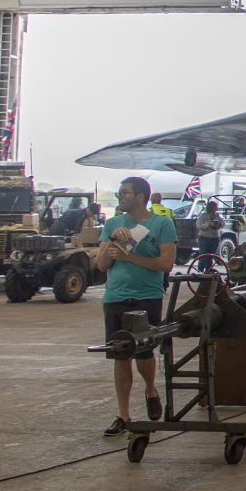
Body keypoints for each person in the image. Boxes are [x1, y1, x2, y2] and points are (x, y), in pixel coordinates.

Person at [94, 176, 177, 436]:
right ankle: (123, 414)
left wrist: (131, 256)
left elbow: (165, 264)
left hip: (146, 296)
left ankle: (150, 389)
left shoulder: (161, 224)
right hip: (115, 296)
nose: (120, 197)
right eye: (119, 193)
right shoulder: (113, 223)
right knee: (121, 355)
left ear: (140, 196)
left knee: (144, 352)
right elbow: (101, 265)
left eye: (125, 193)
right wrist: (111, 243)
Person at [196, 200, 223, 273]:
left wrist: (219, 223)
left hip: (215, 237)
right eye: (214, 208)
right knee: (203, 256)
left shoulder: (217, 216)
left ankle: (208, 271)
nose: (215, 210)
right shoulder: (203, 216)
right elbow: (199, 226)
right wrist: (208, 224)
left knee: (211, 257)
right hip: (204, 237)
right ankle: (200, 272)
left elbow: (223, 223)